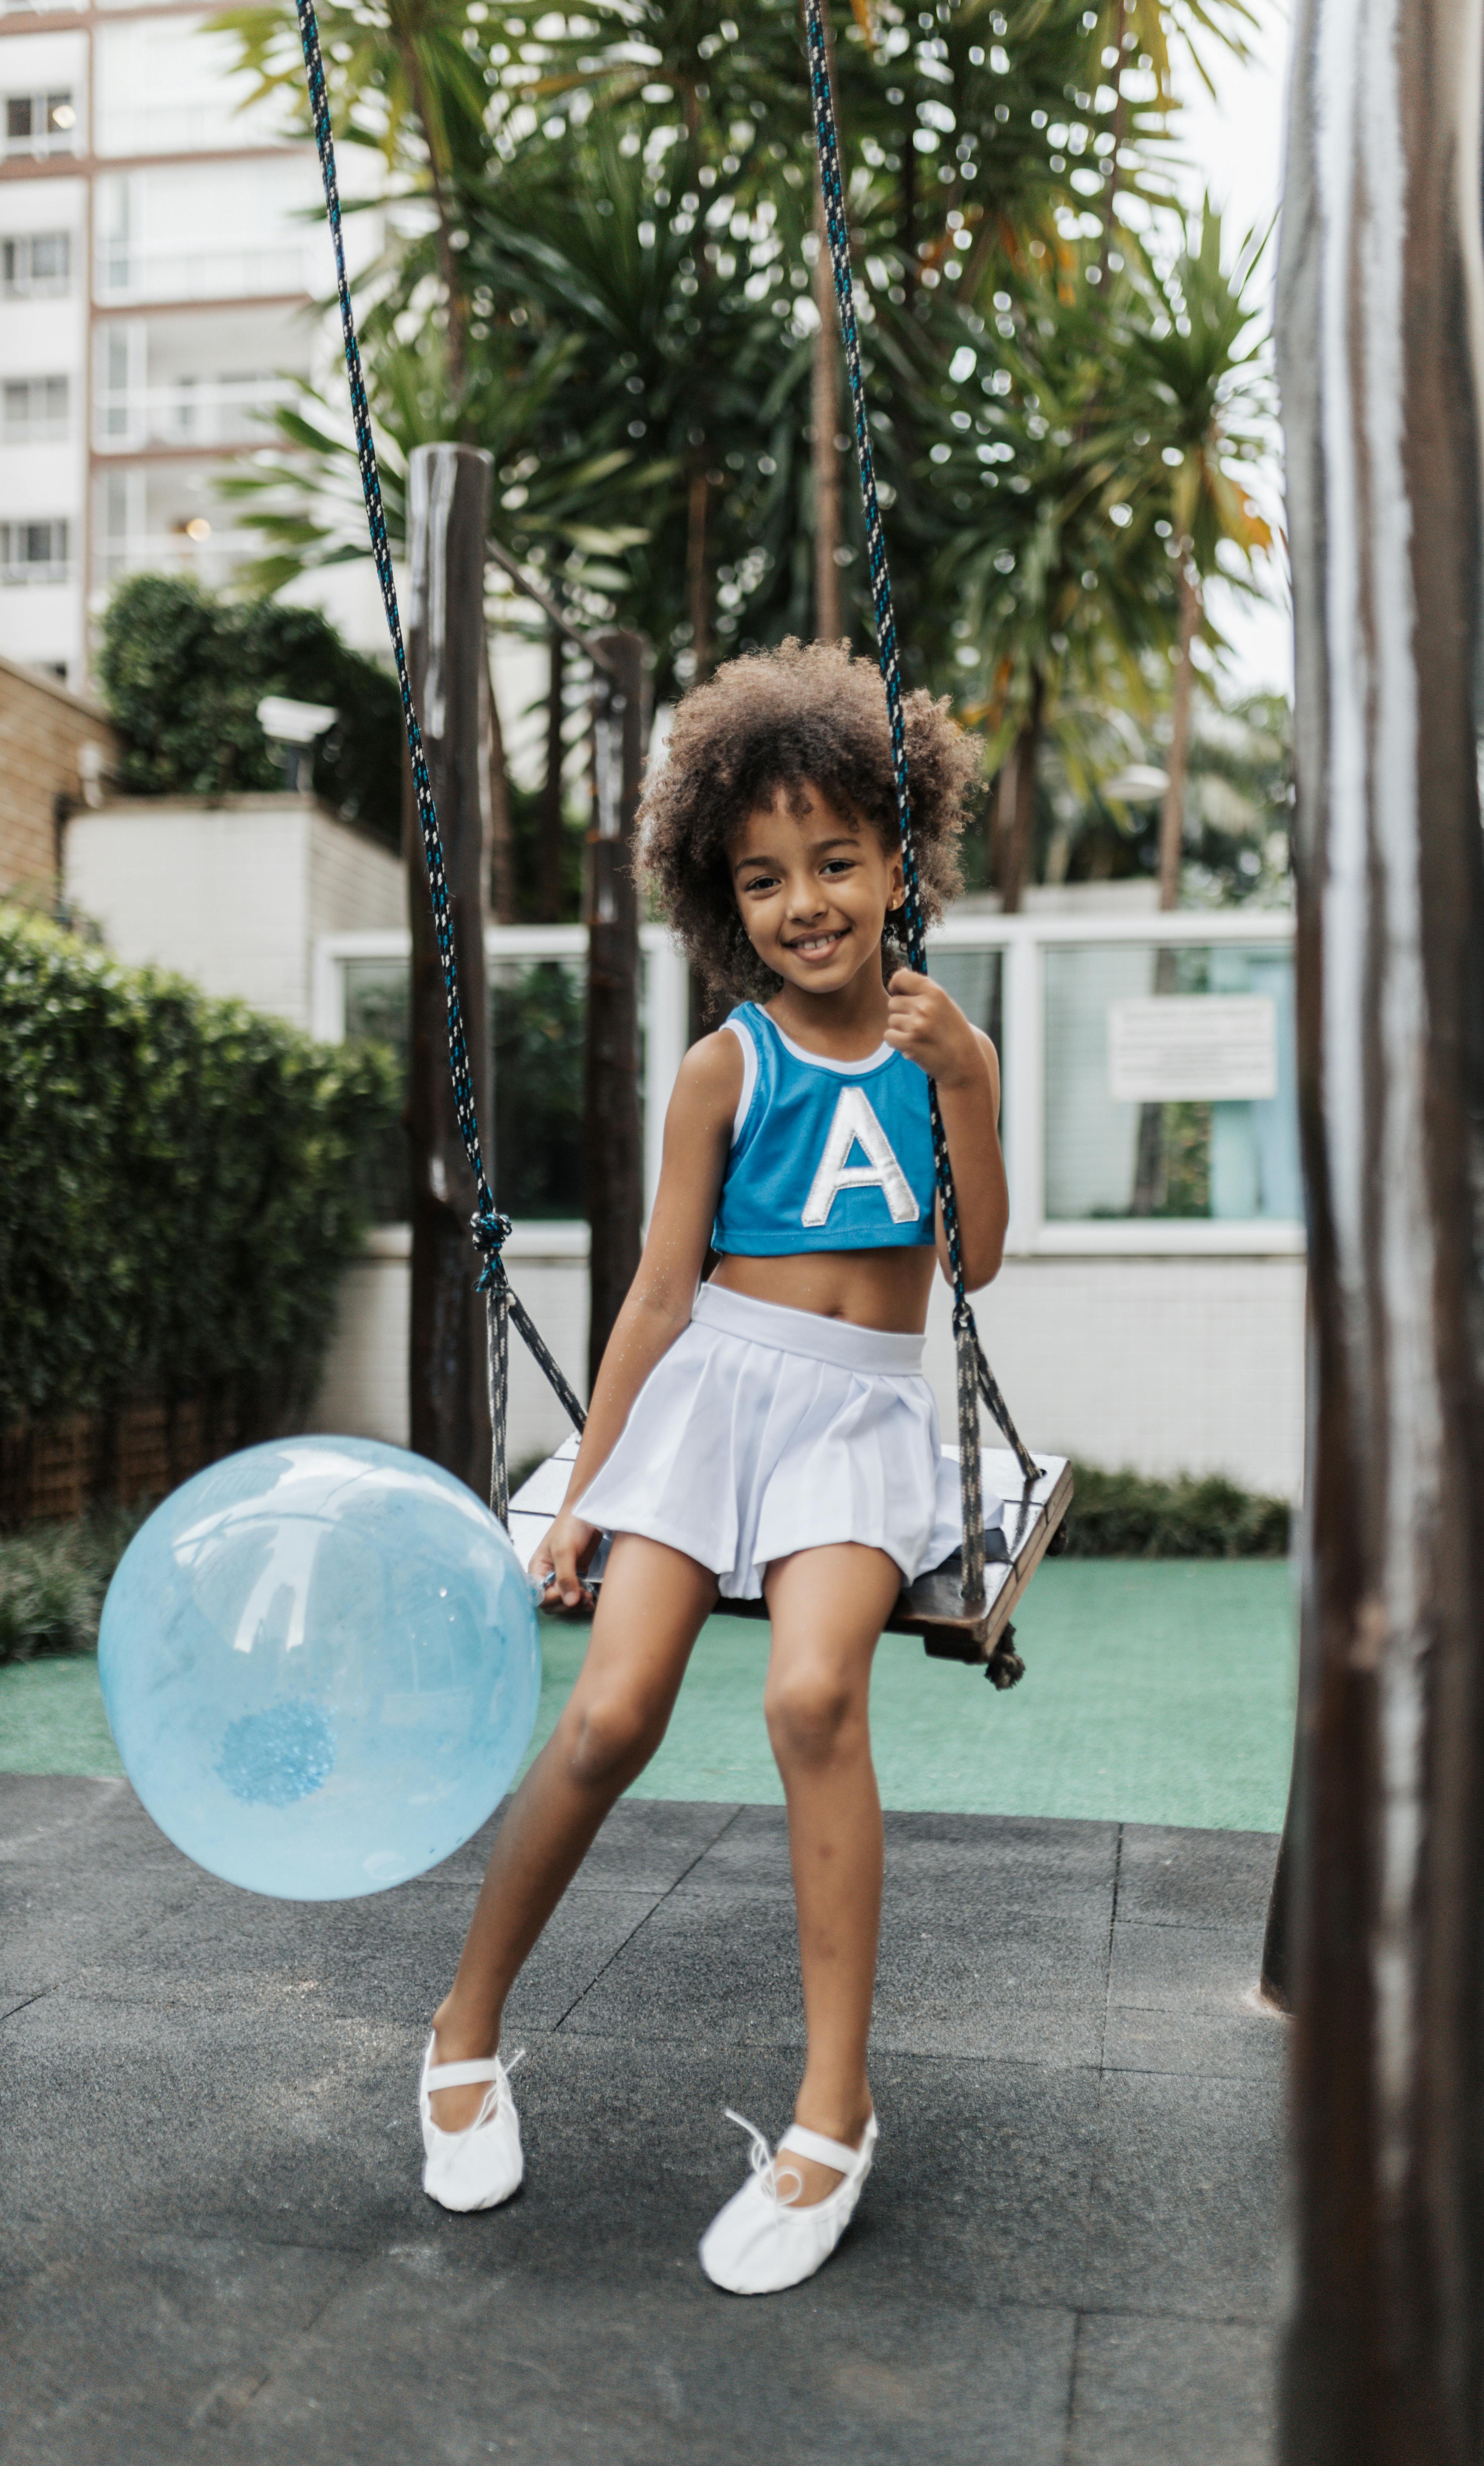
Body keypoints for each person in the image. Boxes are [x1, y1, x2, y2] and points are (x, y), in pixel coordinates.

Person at [417, 638, 1009, 2295]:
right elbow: (660, 1293)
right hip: (710, 1396)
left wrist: (962, 1075)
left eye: (837, 862)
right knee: (610, 1715)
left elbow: (982, 1260)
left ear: (901, 861)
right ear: (722, 898)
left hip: (862, 1410)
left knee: (813, 1700)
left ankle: (836, 2107)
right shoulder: (723, 1065)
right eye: (765, 878)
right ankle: (462, 2027)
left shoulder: (934, 1041)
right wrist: (591, 1482)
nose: (807, 901)